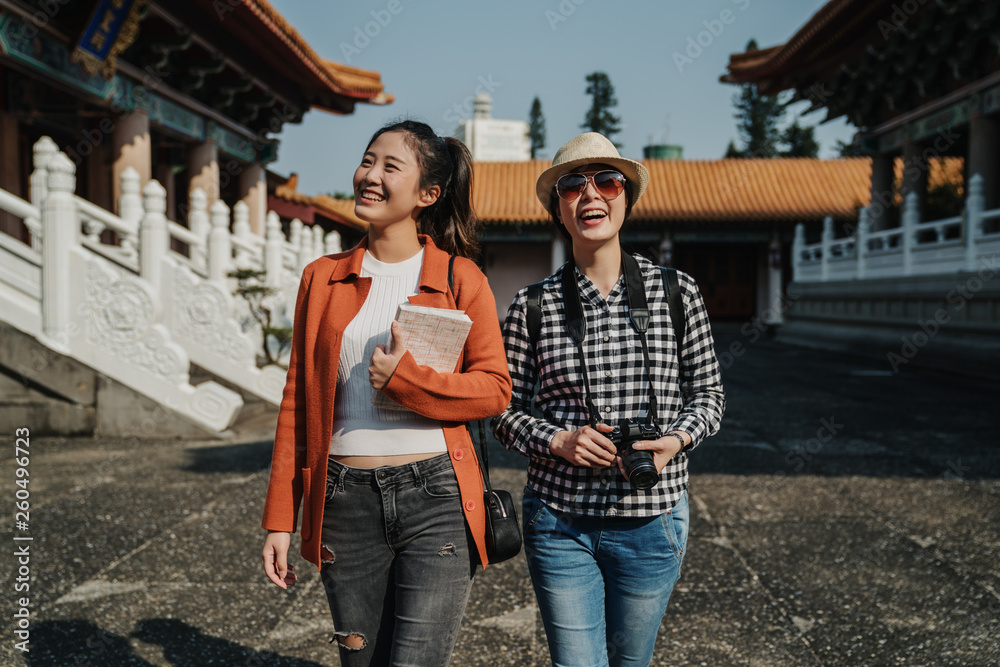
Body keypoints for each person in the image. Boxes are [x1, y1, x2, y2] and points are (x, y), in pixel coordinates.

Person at [260, 119, 512, 666]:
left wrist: (406, 381)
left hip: (437, 497)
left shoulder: (460, 278)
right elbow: (296, 402)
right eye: (367, 160)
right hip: (342, 500)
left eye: (389, 166)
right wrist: (281, 518)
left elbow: (494, 390)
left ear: (428, 195)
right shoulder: (321, 277)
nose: (369, 176)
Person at [492, 132, 725, 666]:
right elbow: (501, 410)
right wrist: (559, 440)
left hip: (653, 515)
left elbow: (709, 395)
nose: (590, 195)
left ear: (626, 197)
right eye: (572, 185)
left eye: (607, 181)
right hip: (560, 520)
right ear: (558, 207)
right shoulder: (532, 305)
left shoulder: (676, 293)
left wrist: (675, 441)